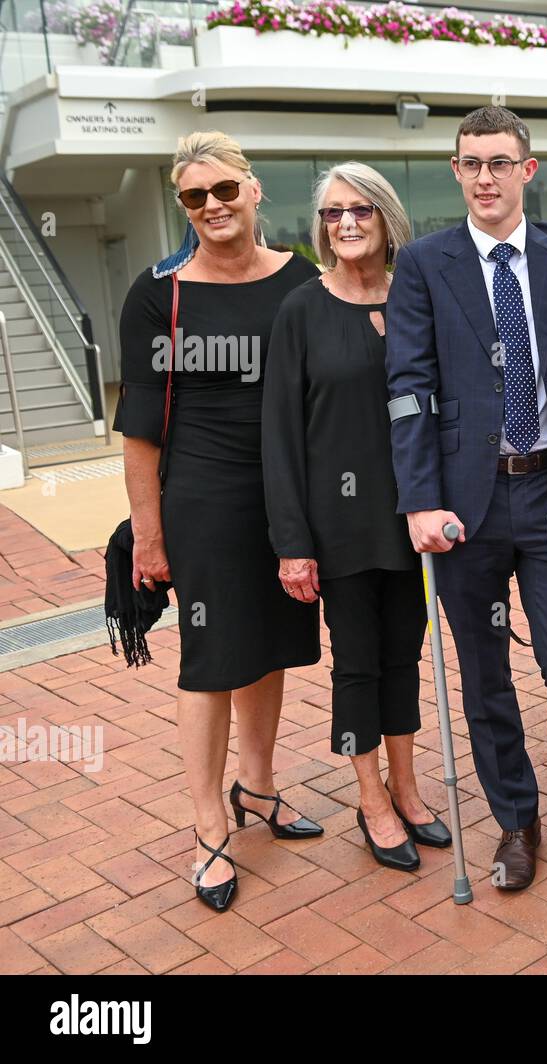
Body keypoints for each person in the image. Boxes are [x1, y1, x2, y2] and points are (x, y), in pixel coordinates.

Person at [385, 106, 547, 891]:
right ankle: (516, 824)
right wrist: (419, 500)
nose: (485, 177)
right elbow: (409, 386)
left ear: (528, 169)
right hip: (464, 509)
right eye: (470, 163)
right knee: (484, 675)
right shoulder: (424, 263)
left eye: (499, 162)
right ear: (456, 172)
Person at [118, 130, 324, 912]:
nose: (212, 207)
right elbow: (140, 428)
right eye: (194, 198)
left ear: (254, 188)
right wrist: (150, 533)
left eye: (224, 190)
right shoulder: (159, 293)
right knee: (209, 658)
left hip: (284, 498)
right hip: (201, 498)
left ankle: (259, 788)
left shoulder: (302, 282)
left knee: (267, 647)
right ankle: (208, 826)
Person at [263, 163, 452, 873]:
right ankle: (368, 795)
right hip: (337, 525)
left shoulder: (416, 298)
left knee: (405, 652)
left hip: (411, 516)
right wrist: (292, 543)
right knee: (358, 665)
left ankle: (407, 786)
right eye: (334, 212)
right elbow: (278, 435)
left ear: (387, 219)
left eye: (361, 210)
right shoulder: (302, 311)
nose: (346, 222)